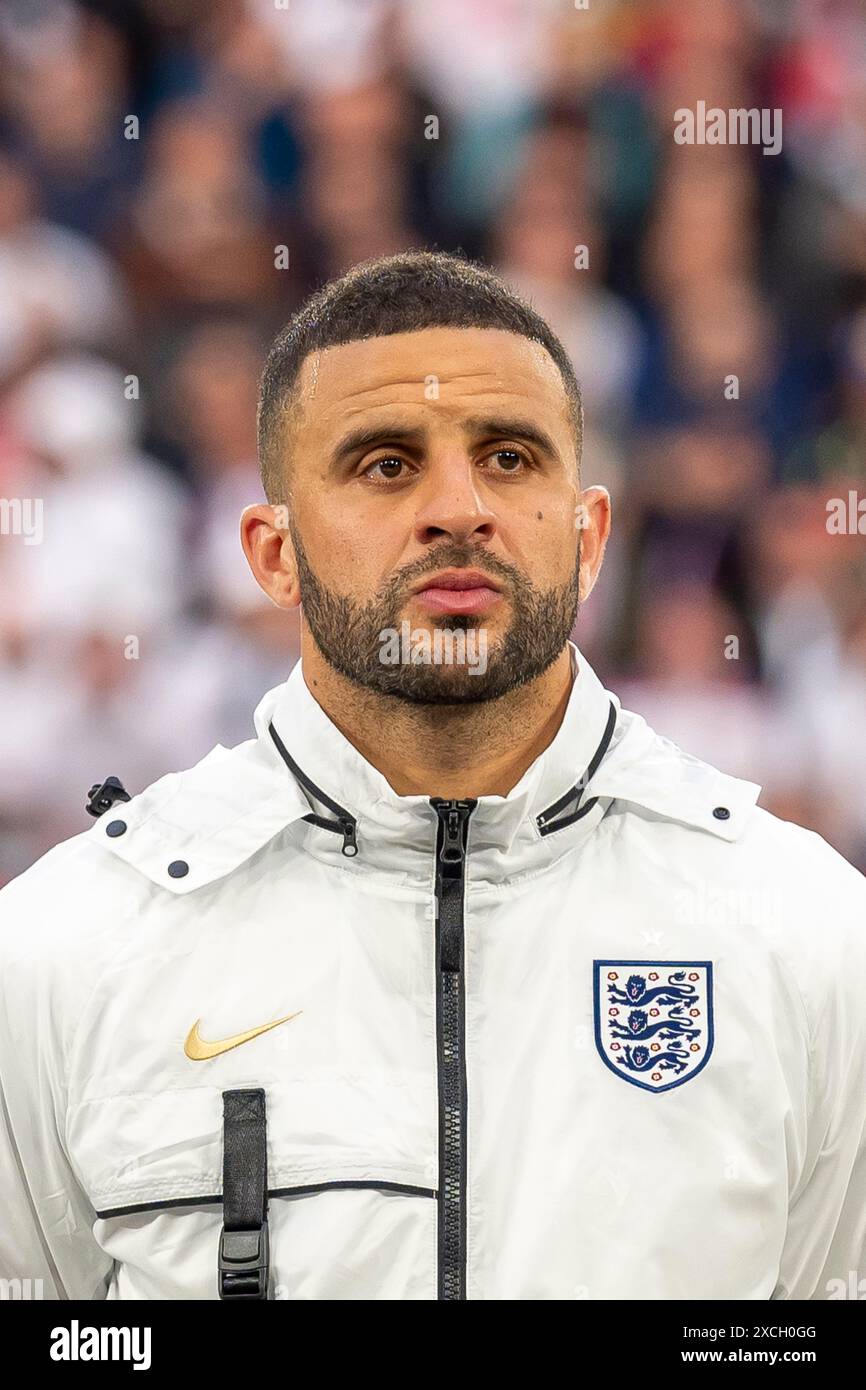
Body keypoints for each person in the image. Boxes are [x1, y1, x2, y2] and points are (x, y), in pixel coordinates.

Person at [0, 252, 864, 1301]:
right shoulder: (62, 950)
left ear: (589, 540)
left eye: (506, 458)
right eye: (384, 464)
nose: (458, 508)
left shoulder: (806, 930)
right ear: (273, 554)